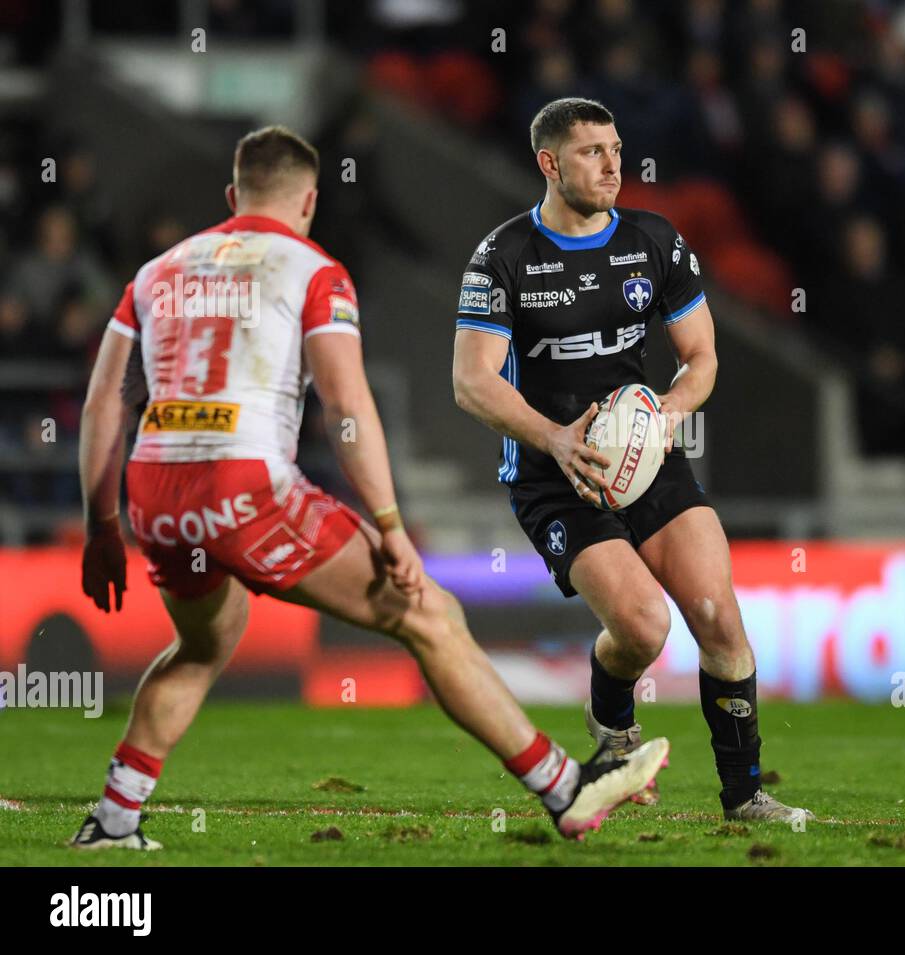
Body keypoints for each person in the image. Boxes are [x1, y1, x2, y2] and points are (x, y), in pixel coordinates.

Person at [73, 125, 667, 850]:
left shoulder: (156, 271)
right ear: (310, 202)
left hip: (157, 488)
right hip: (244, 481)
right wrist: (390, 527)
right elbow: (347, 408)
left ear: (232, 197)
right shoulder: (314, 270)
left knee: (204, 644)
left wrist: (103, 526)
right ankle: (563, 788)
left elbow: (105, 403)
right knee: (429, 614)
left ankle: (112, 820)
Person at [451, 98, 809, 823]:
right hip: (555, 476)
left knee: (716, 615)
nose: (614, 165)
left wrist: (669, 413)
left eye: (617, 149)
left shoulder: (655, 241)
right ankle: (612, 720)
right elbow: (471, 380)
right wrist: (552, 437)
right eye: (592, 152)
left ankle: (743, 797)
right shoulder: (504, 256)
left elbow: (702, 356)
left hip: (645, 460)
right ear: (549, 163)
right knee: (644, 627)